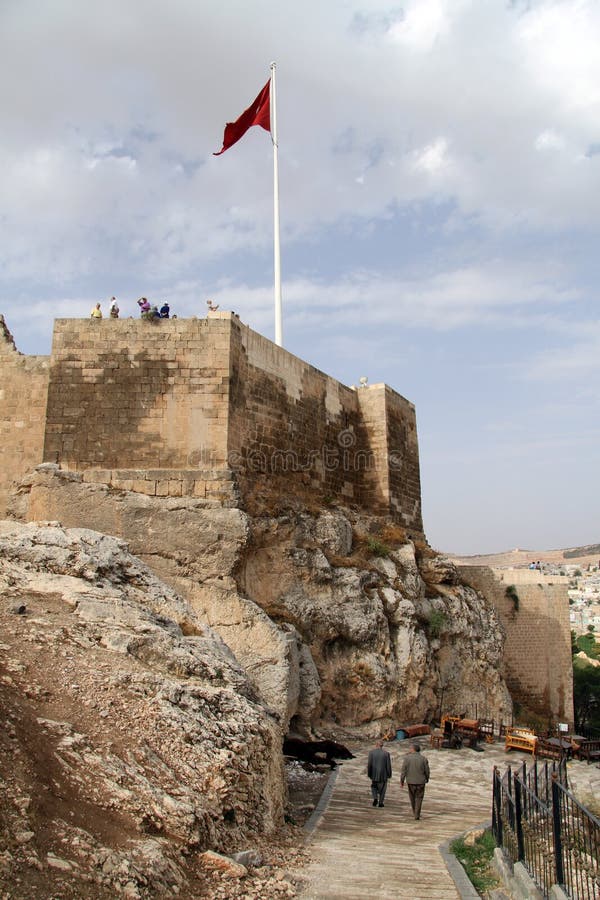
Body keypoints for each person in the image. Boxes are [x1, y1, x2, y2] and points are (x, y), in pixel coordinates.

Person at [400, 743, 430, 820]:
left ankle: (415, 812)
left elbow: (403, 770)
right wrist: (427, 778)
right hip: (421, 782)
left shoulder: (407, 759)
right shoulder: (423, 759)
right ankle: (417, 814)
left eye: (410, 748)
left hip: (410, 782)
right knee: (419, 798)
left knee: (412, 798)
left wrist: (402, 781)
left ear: (413, 749)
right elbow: (427, 771)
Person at [367, 739, 392, 808]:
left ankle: (375, 797)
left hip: (374, 774)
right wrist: (389, 774)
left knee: (374, 786)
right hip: (383, 775)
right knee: (383, 789)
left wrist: (369, 773)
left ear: (376, 745)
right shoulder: (386, 753)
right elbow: (388, 765)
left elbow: (369, 764)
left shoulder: (371, 753)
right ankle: (381, 802)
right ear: (382, 745)